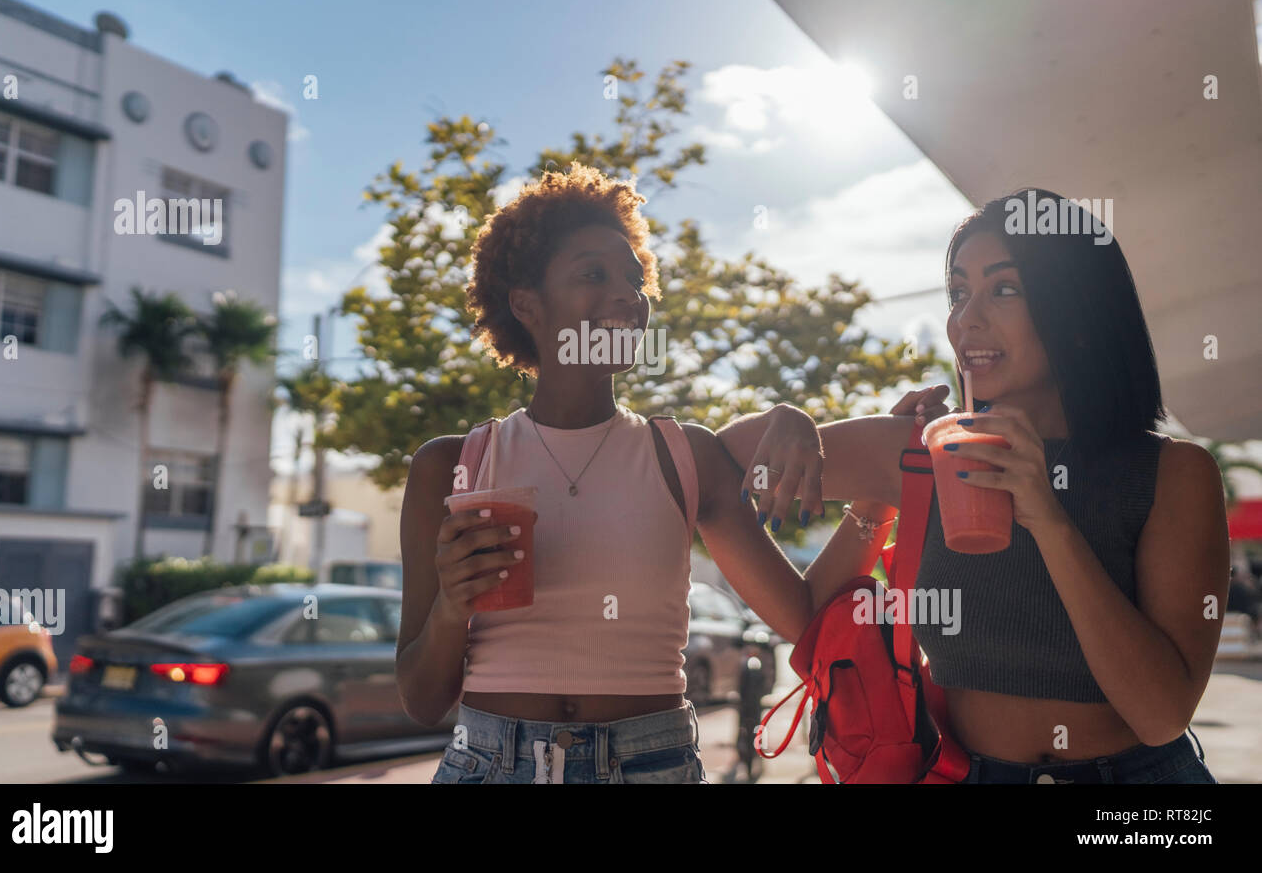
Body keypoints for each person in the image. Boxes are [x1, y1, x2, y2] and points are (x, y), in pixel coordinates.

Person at [716, 189, 1231, 783]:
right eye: (959, 293)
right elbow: (710, 467)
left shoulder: (1174, 473)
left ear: (1082, 314)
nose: (966, 319)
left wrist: (1049, 519)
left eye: (1004, 289)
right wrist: (792, 420)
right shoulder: (931, 452)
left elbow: (1161, 714)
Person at [397, 162, 824, 784]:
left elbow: (800, 621)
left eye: (634, 277)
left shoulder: (686, 457)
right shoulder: (452, 466)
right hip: (488, 764)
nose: (629, 294)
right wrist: (450, 609)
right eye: (593, 274)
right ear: (526, 304)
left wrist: (800, 425)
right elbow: (421, 699)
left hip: (652, 763)